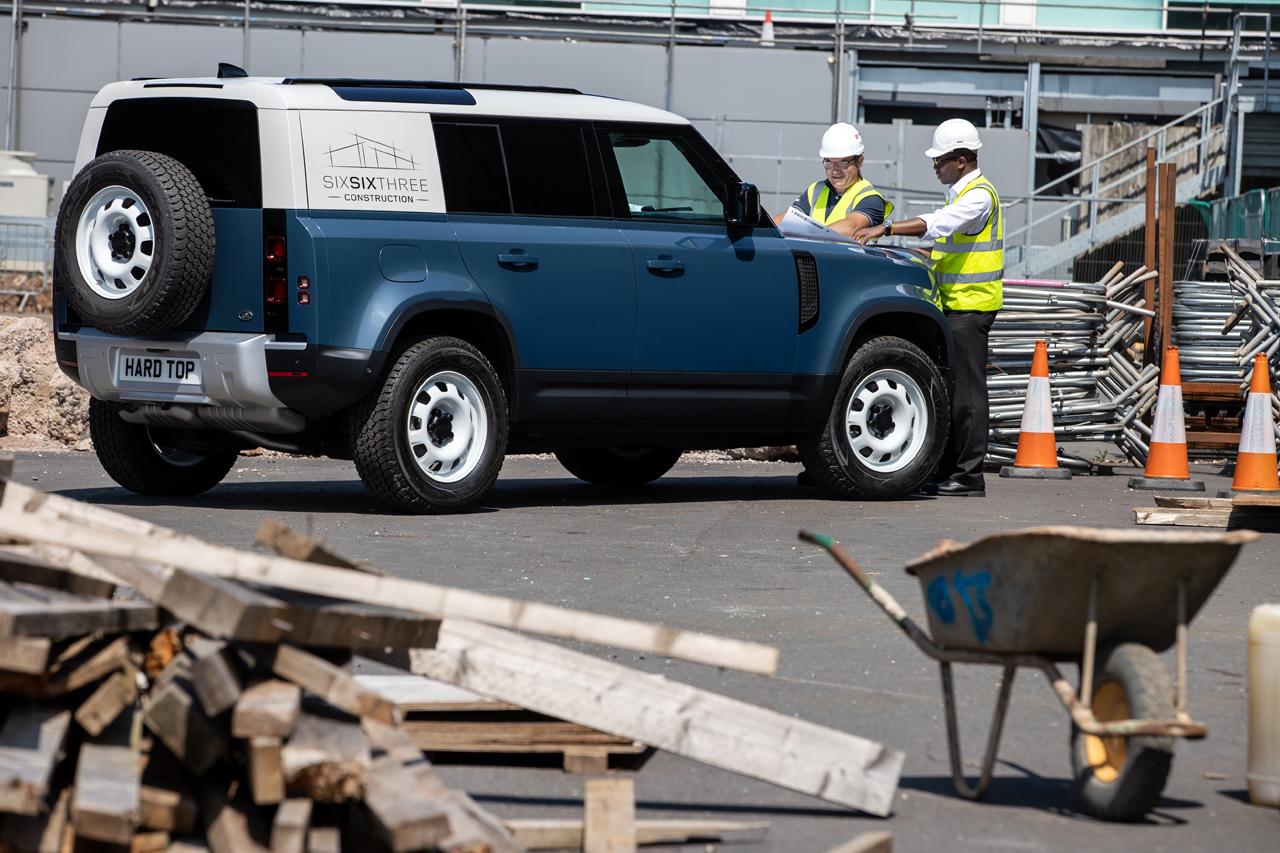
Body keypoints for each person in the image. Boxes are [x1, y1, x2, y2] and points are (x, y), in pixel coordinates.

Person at [851, 118, 1002, 498]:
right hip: (954, 305)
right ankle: (952, 469)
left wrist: (885, 230)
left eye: (941, 161)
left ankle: (970, 476)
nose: (936, 167)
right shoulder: (962, 192)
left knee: (967, 394)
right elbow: (948, 246)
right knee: (953, 392)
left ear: (963, 160)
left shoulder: (980, 196)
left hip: (971, 307)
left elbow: (940, 224)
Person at [775, 122, 893, 237]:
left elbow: (851, 227)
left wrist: (806, 235)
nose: (835, 170)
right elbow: (788, 220)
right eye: (828, 163)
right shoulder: (815, 190)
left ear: (860, 161)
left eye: (842, 163)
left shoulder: (870, 198)